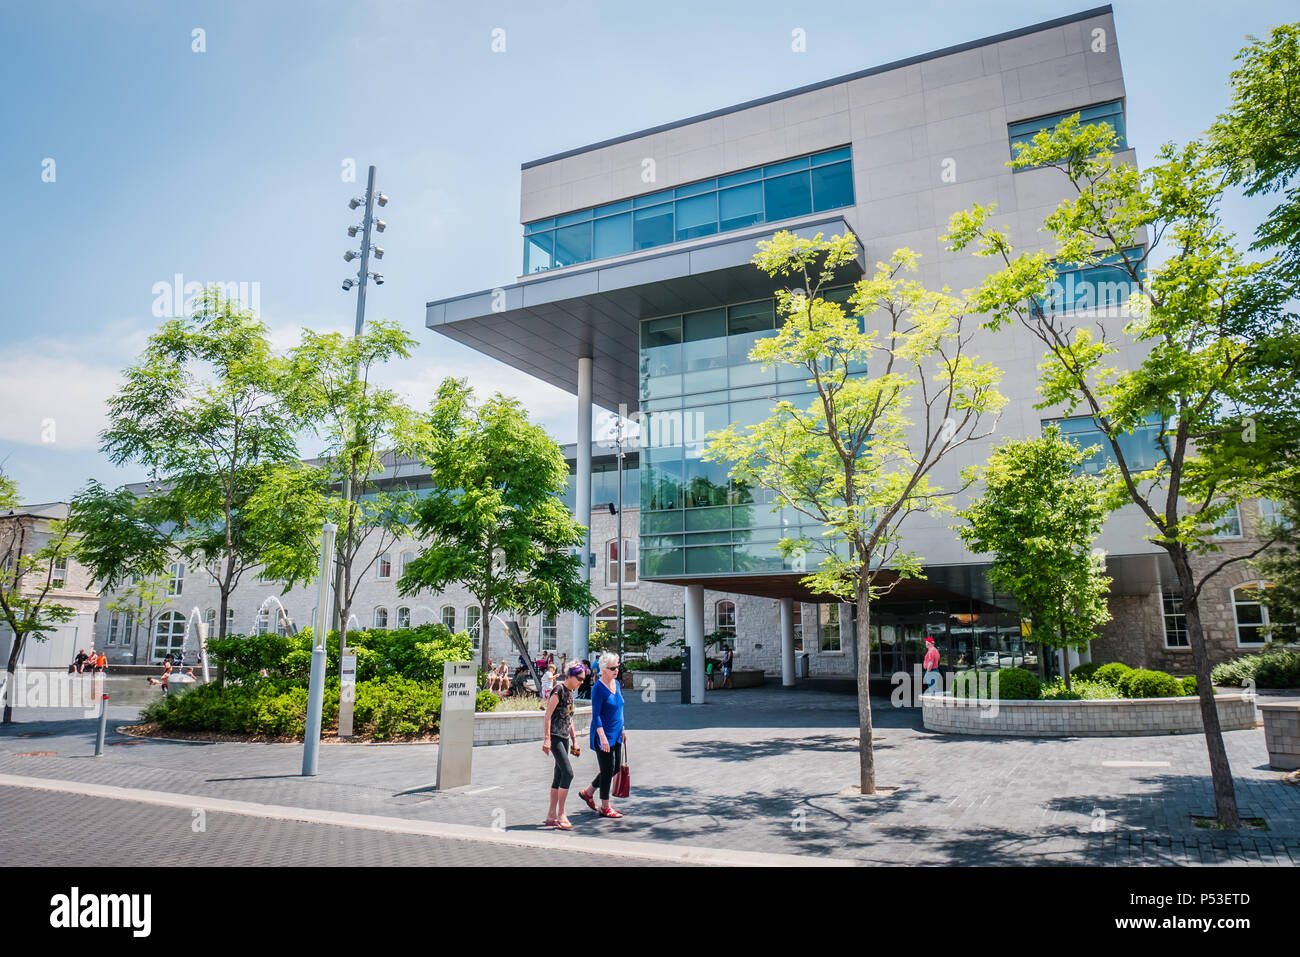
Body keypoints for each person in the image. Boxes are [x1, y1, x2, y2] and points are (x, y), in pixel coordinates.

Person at [578, 652, 626, 819]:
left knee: (615, 768)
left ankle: (588, 792)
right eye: (612, 668)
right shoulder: (598, 688)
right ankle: (605, 806)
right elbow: (596, 714)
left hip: (617, 732)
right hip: (603, 733)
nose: (616, 670)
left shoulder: (617, 684)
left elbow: (619, 707)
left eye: (617, 666)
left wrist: (623, 728)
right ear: (603, 669)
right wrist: (602, 736)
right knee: (607, 770)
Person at [541, 662, 586, 830]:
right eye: (579, 678)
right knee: (568, 773)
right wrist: (547, 739)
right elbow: (548, 715)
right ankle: (561, 814)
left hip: (565, 738)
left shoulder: (570, 693)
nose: (582, 682)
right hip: (555, 737)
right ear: (570, 676)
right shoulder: (558, 690)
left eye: (583, 679)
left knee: (559, 776)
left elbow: (569, 718)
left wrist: (575, 740)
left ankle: (551, 815)